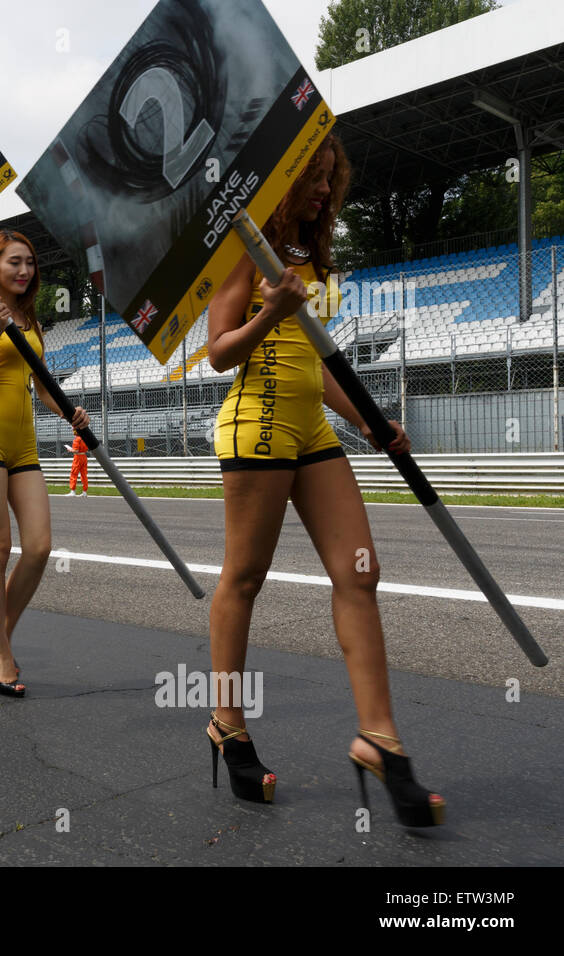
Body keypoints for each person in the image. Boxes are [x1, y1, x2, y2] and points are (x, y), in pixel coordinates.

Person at [204, 134, 443, 826]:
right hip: (255, 423)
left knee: (359, 571)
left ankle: (379, 736)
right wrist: (272, 311)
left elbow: (319, 361)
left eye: (330, 180)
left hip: (310, 426)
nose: (322, 191)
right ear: (285, 175)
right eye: (313, 176)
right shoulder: (241, 249)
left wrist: (367, 421)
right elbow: (218, 352)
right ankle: (226, 721)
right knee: (243, 578)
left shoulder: (313, 257)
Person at [0, 230, 88, 698]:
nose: (24, 270)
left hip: (24, 448)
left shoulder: (31, 322)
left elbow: (41, 387)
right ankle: (0, 652)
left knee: (39, 548)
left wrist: (69, 412)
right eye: (14, 262)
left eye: (30, 262)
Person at [65, 429, 88, 496]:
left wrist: (70, 450)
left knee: (74, 473)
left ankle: (73, 491)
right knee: (84, 474)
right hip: (84, 456)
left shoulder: (77, 439)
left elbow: (76, 451)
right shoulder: (85, 438)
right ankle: (84, 492)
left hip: (78, 457)